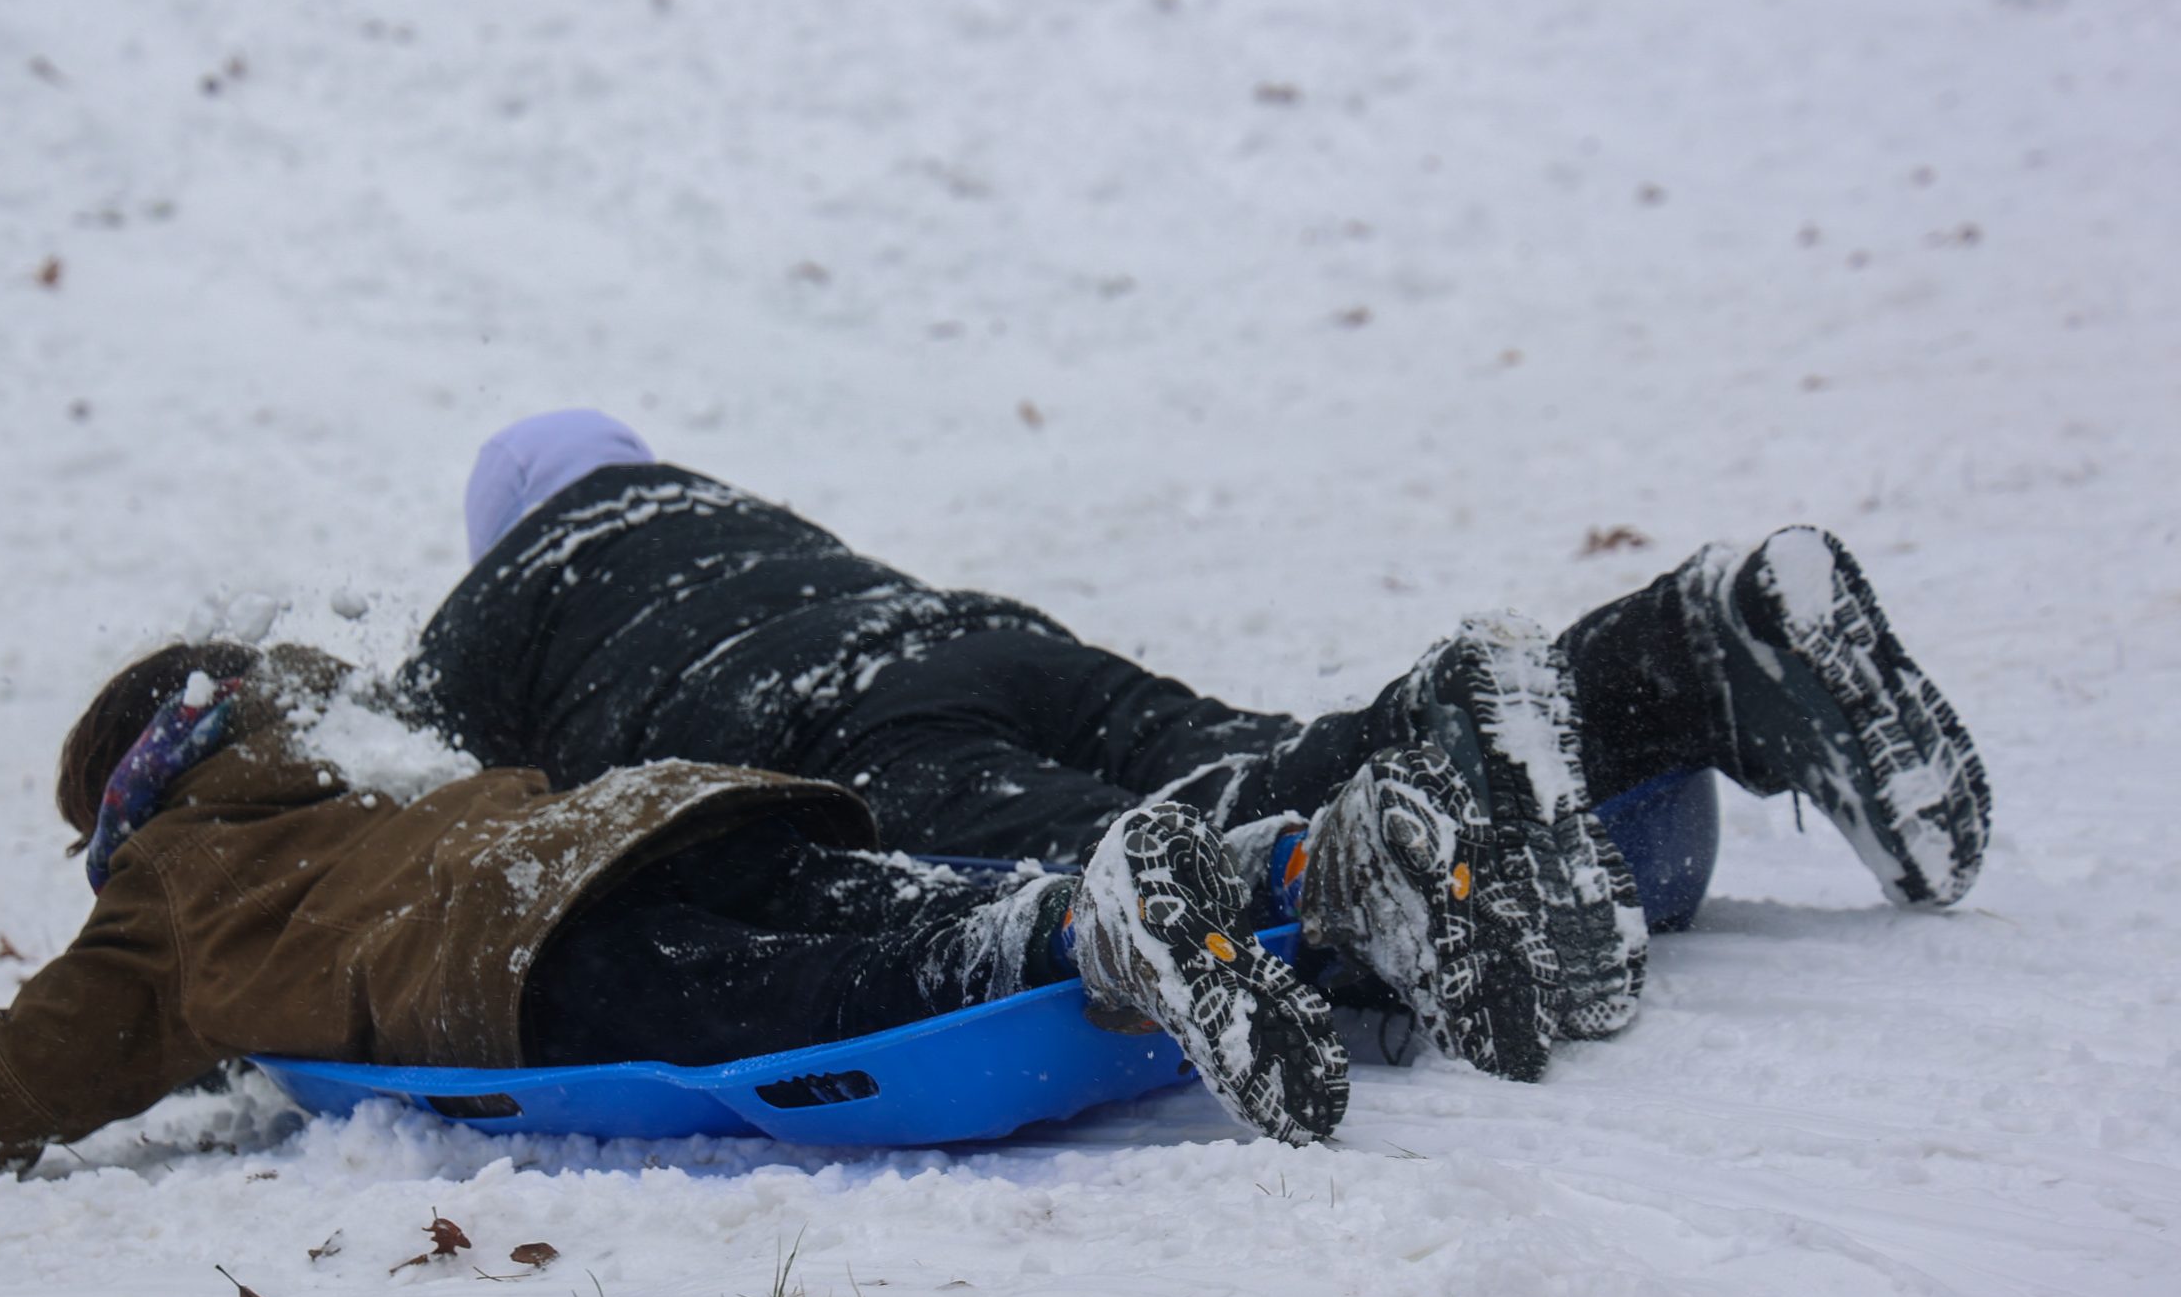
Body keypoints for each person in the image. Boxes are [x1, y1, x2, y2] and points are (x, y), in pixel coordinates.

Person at [399, 411, 1993, 1084]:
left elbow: (398, 772)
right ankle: (1679, 654)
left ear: (503, 528)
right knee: (1272, 752)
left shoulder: (500, 603)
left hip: (840, 717)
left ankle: (1393, 849)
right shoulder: (720, 506)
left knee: (1153, 848)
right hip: (988, 637)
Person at [0, 645, 1352, 1192]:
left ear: (123, 802)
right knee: (876, 898)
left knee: (842, 985)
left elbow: (46, 1059)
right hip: (652, 814)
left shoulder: (173, 877)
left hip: (527, 944)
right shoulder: (361, 754)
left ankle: (1104, 941)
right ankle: (1300, 874)